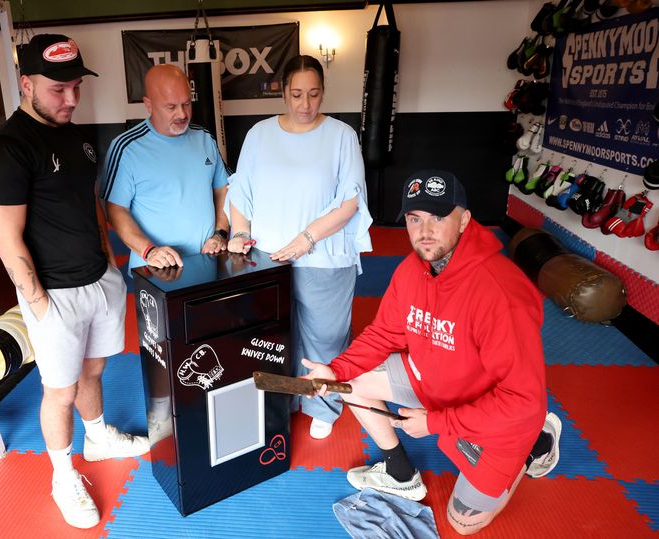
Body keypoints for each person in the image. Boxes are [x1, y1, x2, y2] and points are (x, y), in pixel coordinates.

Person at [303, 170, 562, 535]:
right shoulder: (412, 271)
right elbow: (383, 333)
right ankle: (399, 472)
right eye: (414, 218)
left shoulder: (500, 294)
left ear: (465, 220)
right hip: (434, 384)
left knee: (461, 524)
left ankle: (535, 444)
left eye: (439, 217)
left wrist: (436, 423)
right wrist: (337, 370)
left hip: (496, 416)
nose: (425, 230)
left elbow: (521, 400)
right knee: (354, 383)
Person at [0, 34, 149, 530]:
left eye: (76, 87)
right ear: (26, 84)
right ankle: (61, 475)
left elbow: (88, 202)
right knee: (60, 392)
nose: (71, 99)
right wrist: (39, 305)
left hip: (100, 279)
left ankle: (98, 437)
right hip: (54, 294)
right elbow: (8, 241)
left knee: (93, 373)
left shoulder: (76, 136)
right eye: (59, 90)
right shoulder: (7, 150)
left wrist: (109, 262)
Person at [226, 55, 372, 440]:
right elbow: (241, 191)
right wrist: (239, 233)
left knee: (325, 335)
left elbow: (351, 201)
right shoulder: (259, 134)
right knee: (275, 336)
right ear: (283, 93)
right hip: (267, 257)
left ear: (323, 92)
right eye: (296, 94)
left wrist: (307, 238)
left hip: (323, 255)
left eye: (313, 94)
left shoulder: (342, 135)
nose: (305, 104)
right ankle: (286, 399)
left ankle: (322, 404)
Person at [100, 64, 229, 271]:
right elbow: (115, 209)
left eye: (186, 104)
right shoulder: (126, 148)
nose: (182, 114)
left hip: (207, 262)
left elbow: (222, 189)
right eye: (171, 107)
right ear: (149, 104)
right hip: (157, 271)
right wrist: (149, 251)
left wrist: (220, 233)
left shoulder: (204, 138)